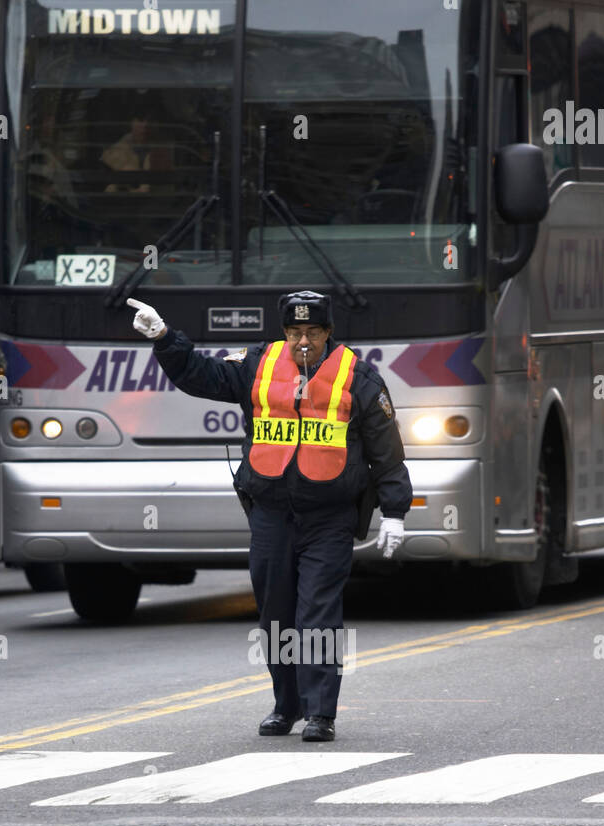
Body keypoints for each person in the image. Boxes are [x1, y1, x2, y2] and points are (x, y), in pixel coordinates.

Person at [129, 289, 412, 742]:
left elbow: (387, 451)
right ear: (284, 332)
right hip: (271, 513)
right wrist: (165, 338)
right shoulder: (257, 364)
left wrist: (395, 512)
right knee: (275, 615)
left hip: (329, 516)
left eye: (313, 333)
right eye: (295, 332)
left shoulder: (357, 377)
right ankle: (287, 704)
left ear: (328, 333)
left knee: (317, 613)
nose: (304, 341)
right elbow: (201, 376)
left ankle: (321, 713)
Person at [101, 115, 153, 192]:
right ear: (131, 123)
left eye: (148, 121)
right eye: (140, 120)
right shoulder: (121, 146)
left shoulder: (158, 148)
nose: (144, 125)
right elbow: (125, 171)